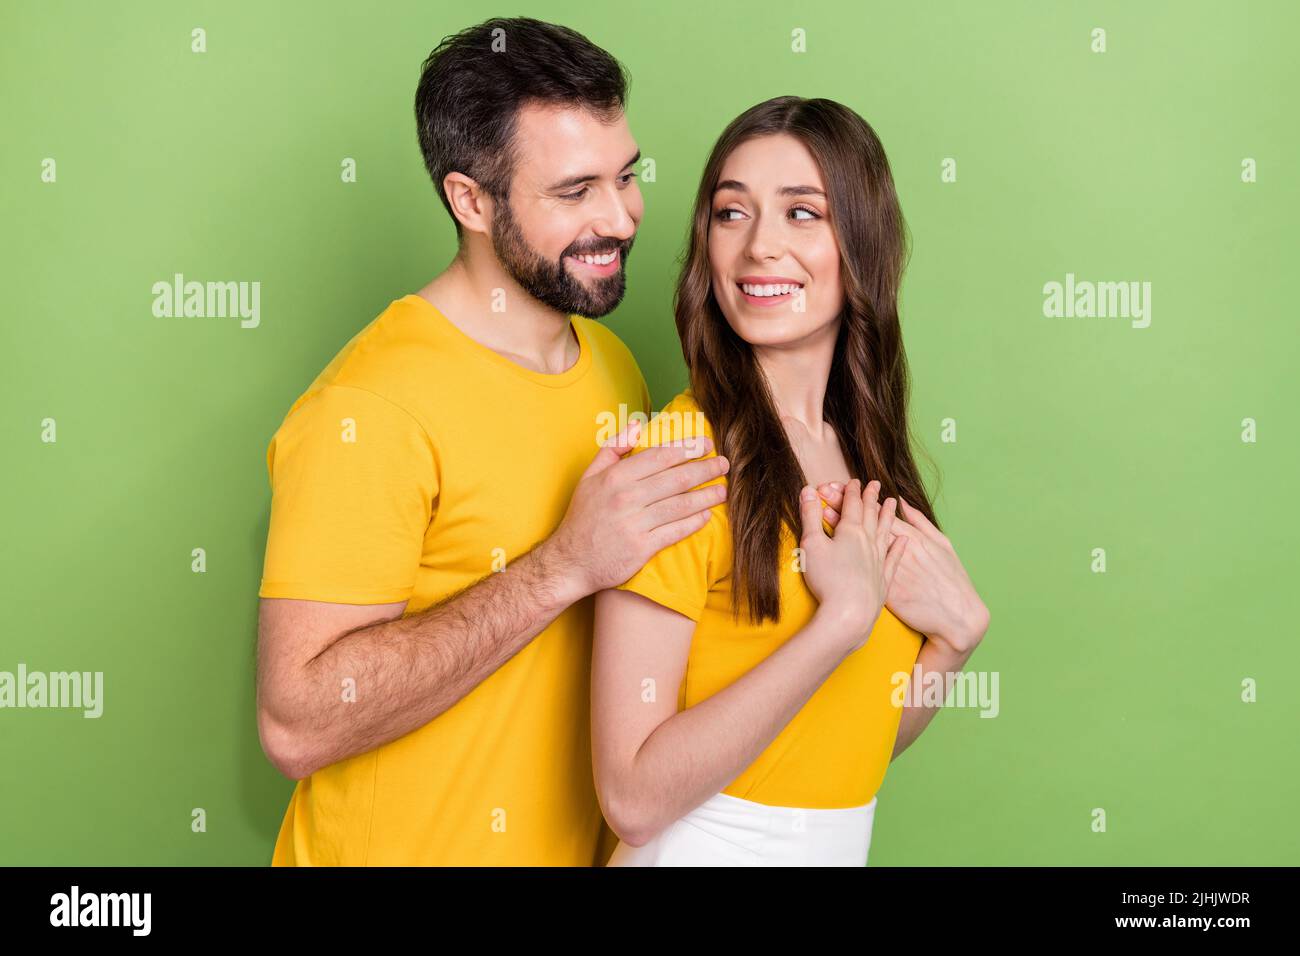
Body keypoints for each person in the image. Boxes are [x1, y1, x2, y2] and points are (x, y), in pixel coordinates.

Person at [255, 17, 728, 866]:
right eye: (574, 191)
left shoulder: (615, 367)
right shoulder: (370, 407)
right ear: (470, 201)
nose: (620, 218)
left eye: (626, 176)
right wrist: (565, 565)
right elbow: (296, 725)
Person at [592, 96, 991, 866]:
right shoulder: (681, 455)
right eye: (731, 213)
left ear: (863, 241)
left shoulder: (864, 453)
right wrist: (840, 622)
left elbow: (844, 742)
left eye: (802, 213)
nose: (759, 247)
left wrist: (953, 645)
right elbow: (632, 798)